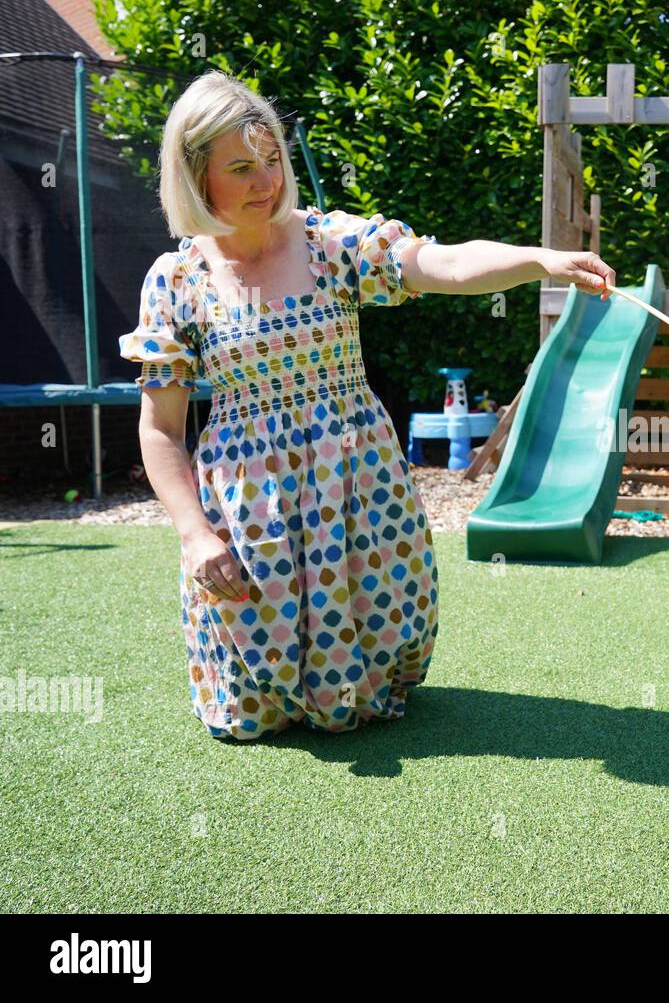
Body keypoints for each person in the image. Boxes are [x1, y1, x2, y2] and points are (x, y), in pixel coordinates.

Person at [119, 69, 615, 741]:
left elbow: (442, 264)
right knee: (255, 705)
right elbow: (161, 431)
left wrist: (540, 260)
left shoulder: (331, 243)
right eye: (241, 168)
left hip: (357, 483)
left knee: (370, 682)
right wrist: (194, 533)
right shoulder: (176, 281)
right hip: (251, 500)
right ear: (193, 175)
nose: (266, 183)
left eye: (273, 161)